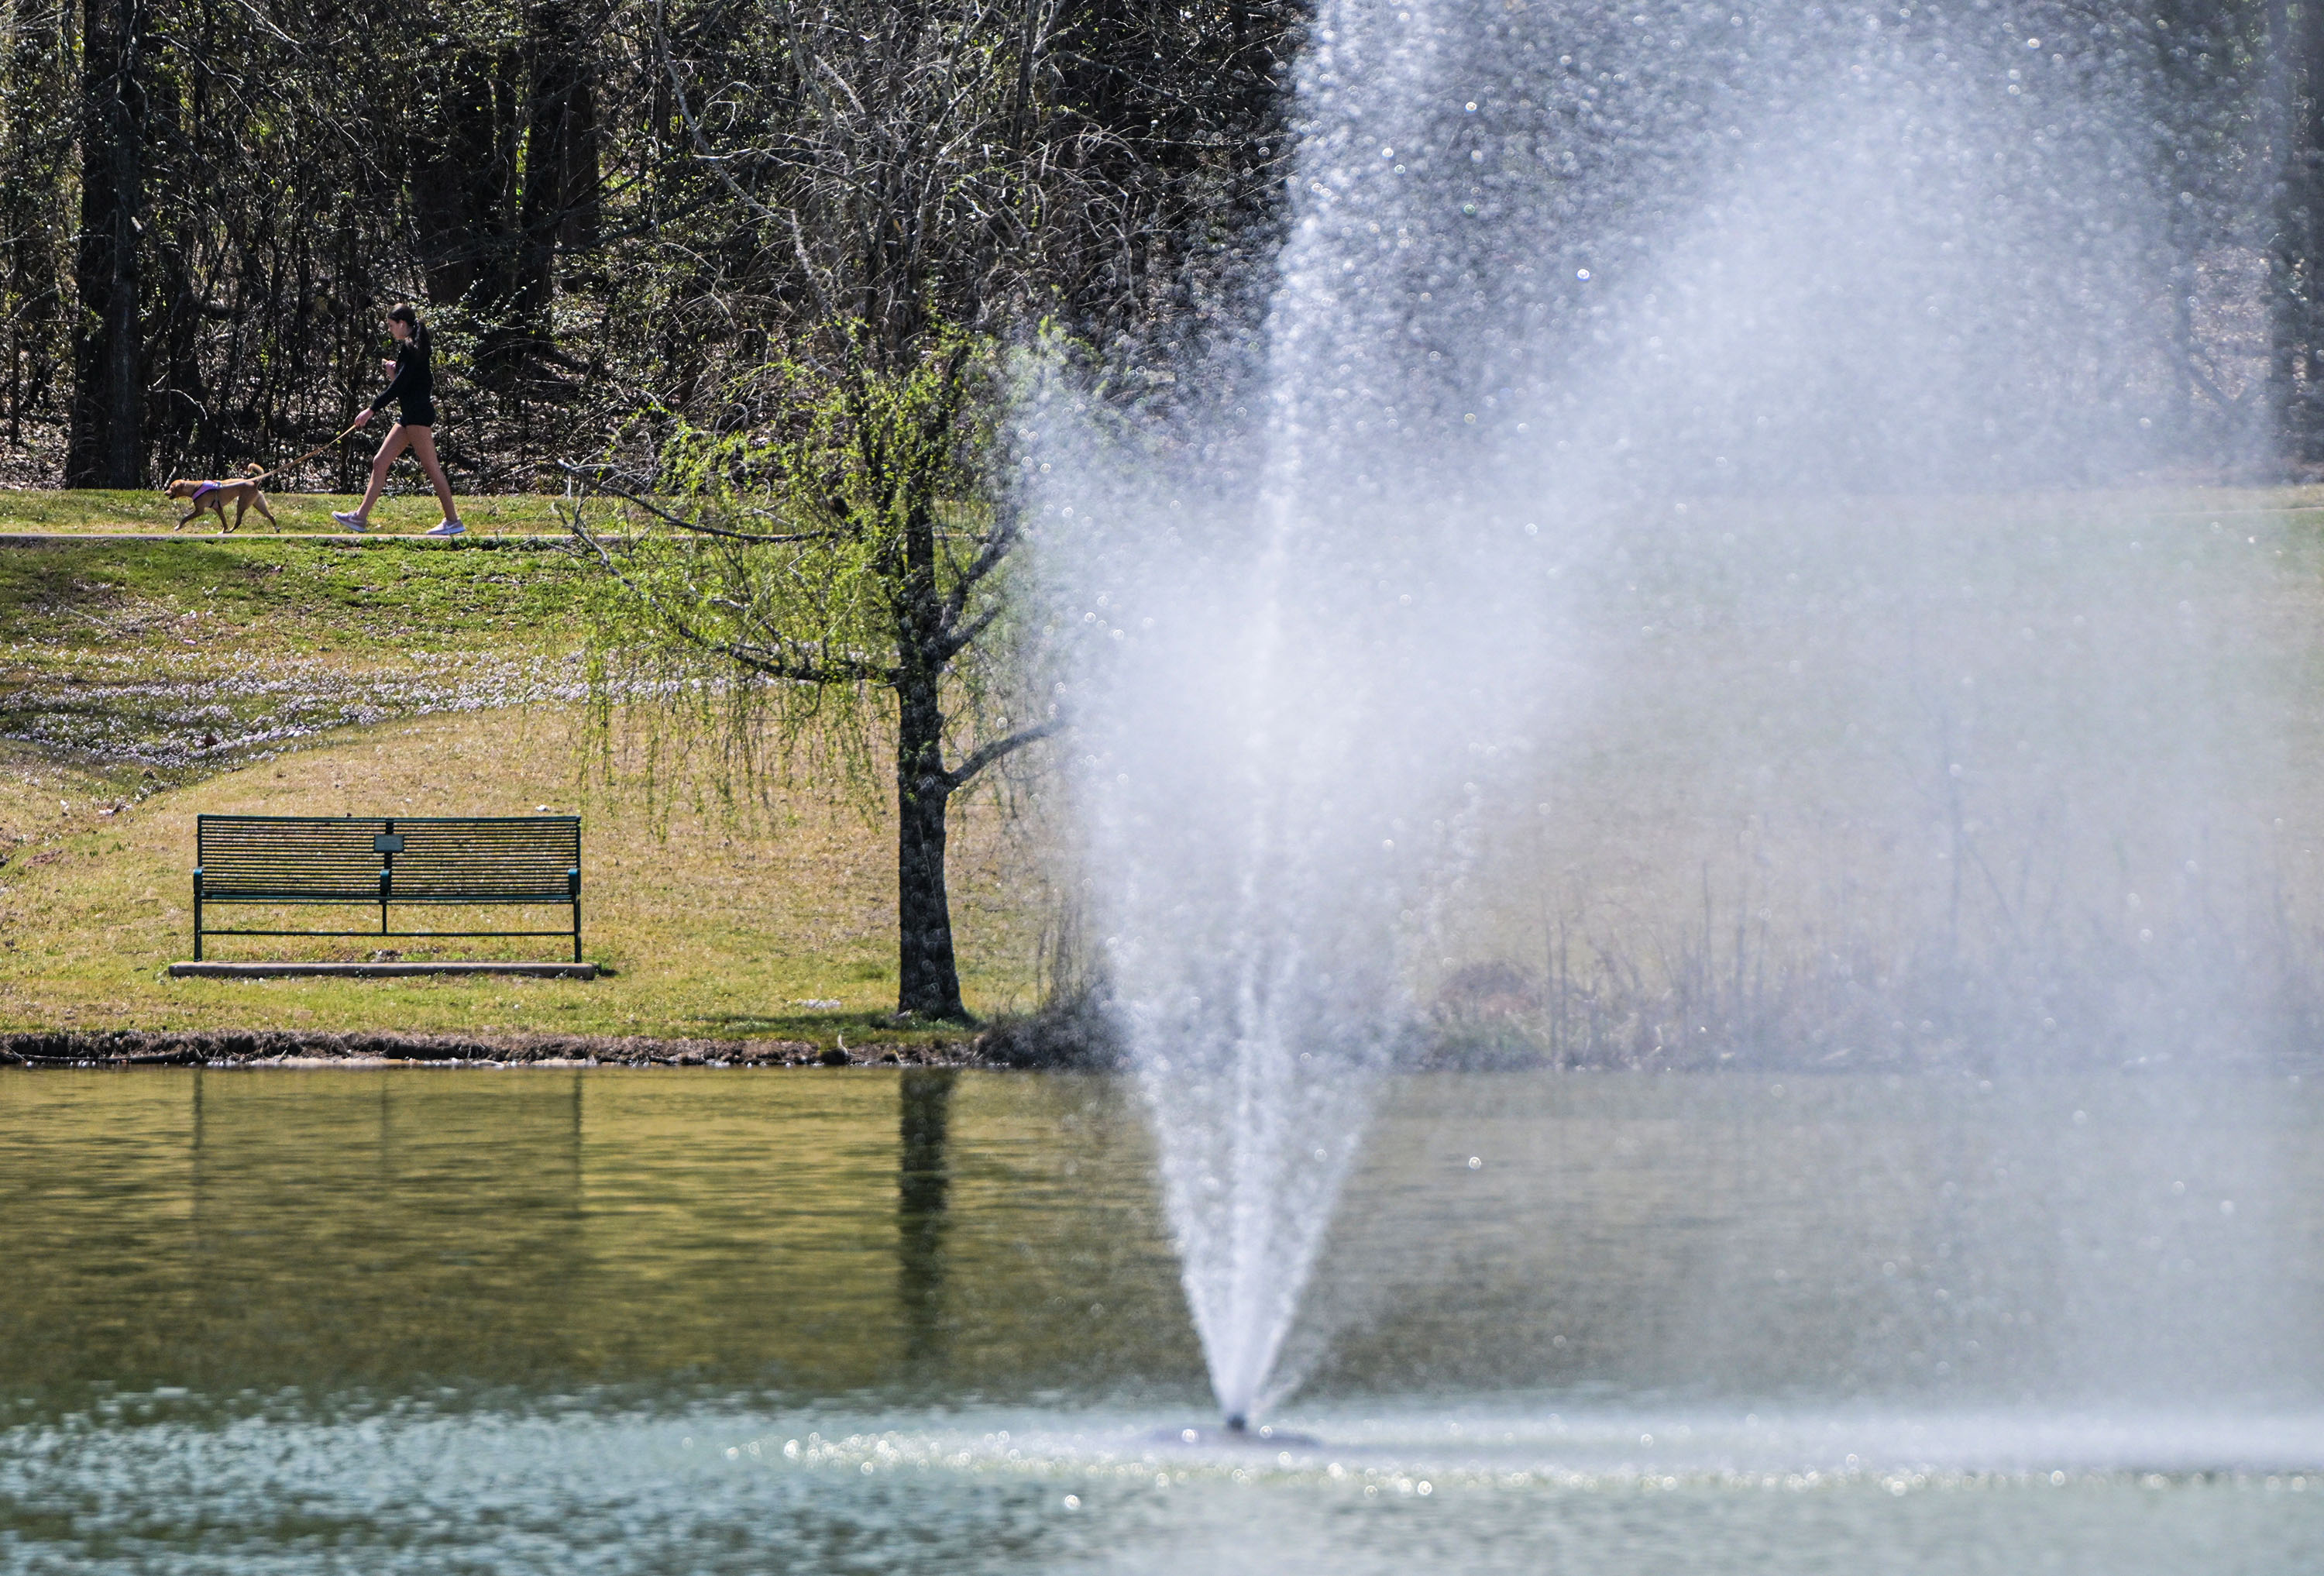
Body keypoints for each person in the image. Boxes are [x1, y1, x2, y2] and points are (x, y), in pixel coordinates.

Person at [332, 304, 464, 535]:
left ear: (403, 324)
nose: (390, 330)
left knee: (432, 469)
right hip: (410, 416)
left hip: (417, 416)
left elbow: (400, 387)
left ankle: (453, 521)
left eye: (392, 325)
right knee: (380, 462)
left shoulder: (411, 349)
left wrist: (370, 410)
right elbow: (410, 384)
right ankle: (360, 518)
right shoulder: (413, 348)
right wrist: (394, 373)